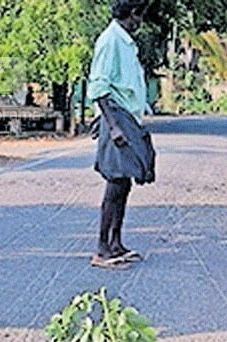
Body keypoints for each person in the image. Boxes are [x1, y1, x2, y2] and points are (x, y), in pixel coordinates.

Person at [88, 0, 156, 270]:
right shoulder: (110, 41)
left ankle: (116, 243)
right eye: (139, 16)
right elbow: (99, 86)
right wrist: (112, 126)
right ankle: (102, 249)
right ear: (132, 14)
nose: (140, 22)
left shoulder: (124, 41)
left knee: (125, 183)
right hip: (116, 117)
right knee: (115, 183)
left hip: (127, 117)